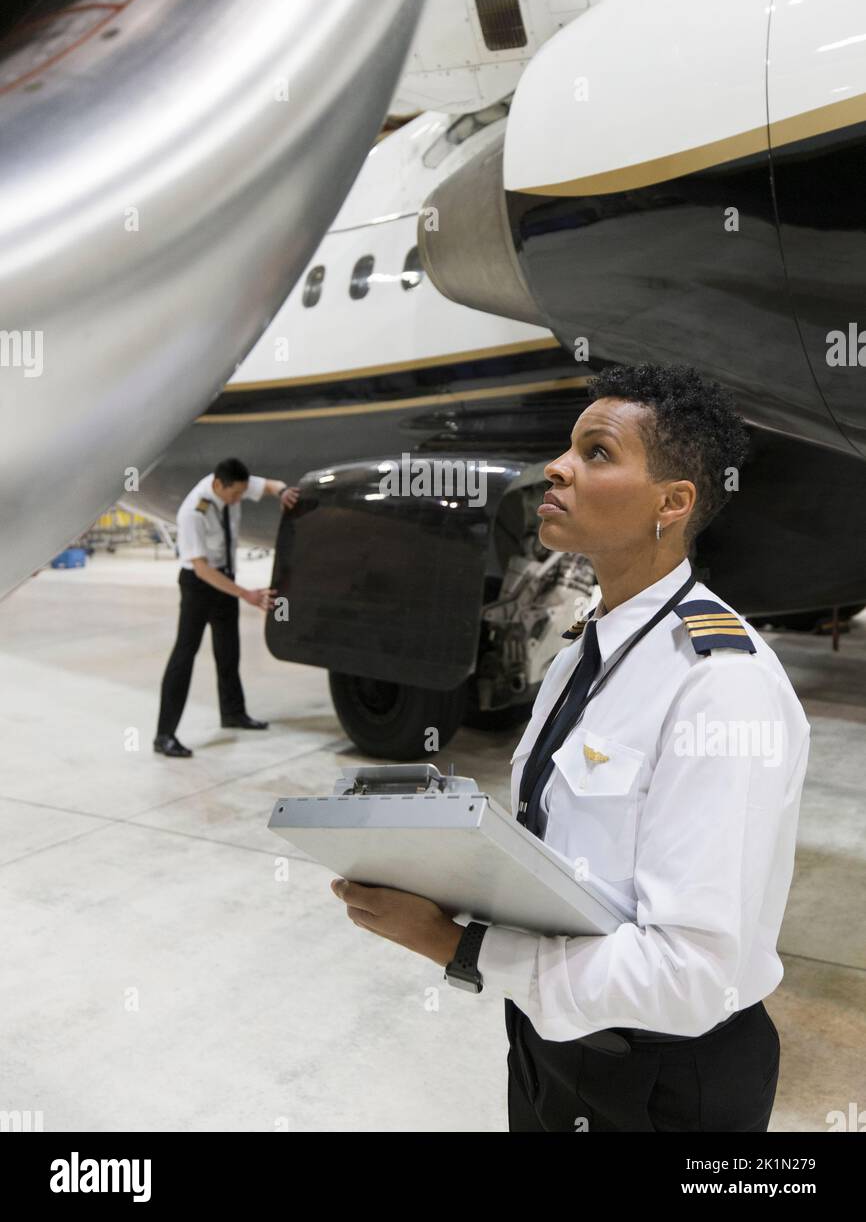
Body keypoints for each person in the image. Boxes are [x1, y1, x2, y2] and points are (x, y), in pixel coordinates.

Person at [330, 363, 810, 1132]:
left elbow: (691, 973)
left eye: (597, 453)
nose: (557, 466)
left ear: (673, 503)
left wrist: (460, 947)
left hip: (661, 1081)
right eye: (569, 447)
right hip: (557, 1036)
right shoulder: (586, 649)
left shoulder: (720, 687)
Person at [154, 458, 299, 758]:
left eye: (240, 495)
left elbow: (269, 485)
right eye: (234, 495)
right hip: (198, 585)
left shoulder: (236, 484)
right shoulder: (193, 511)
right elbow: (202, 569)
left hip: (226, 580)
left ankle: (233, 712)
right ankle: (164, 735)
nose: (238, 500)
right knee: (185, 654)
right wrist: (246, 594)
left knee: (229, 651)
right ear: (219, 485)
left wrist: (283, 491)